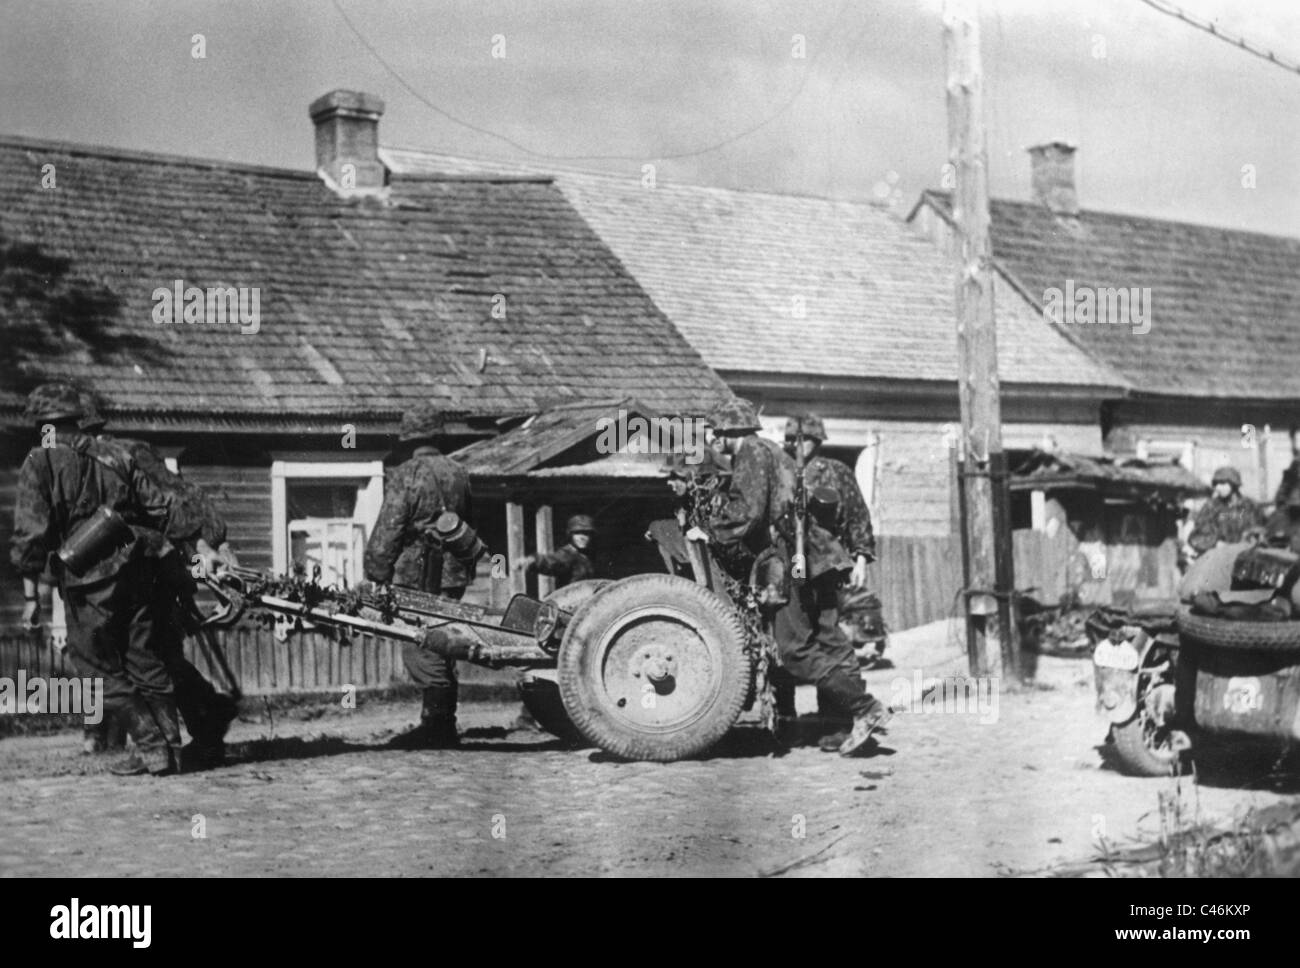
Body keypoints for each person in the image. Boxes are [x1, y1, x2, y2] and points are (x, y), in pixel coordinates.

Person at [701, 397, 892, 757]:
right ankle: (843, 722)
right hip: (821, 556)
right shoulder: (770, 451)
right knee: (830, 641)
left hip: (797, 556)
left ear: (729, 430)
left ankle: (864, 708)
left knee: (793, 649)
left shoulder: (752, 453)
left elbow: (749, 512)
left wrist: (711, 531)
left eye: (715, 430)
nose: (712, 437)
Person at [10, 383, 183, 775]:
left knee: (93, 669)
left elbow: (30, 534)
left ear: (43, 423)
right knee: (145, 658)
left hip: (87, 579)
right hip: (138, 567)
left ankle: (152, 746)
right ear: (78, 417)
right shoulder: (116, 453)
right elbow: (159, 507)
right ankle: (172, 749)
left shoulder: (41, 460)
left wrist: (31, 598)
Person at [79, 394, 238, 766]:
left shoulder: (121, 455)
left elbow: (180, 501)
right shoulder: (103, 458)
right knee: (157, 654)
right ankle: (204, 718)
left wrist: (205, 546)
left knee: (142, 656)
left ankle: (163, 743)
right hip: (133, 573)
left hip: (150, 571)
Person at [364, 402, 477, 747]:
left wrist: (376, 570)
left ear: (408, 437)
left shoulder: (406, 474)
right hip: (453, 571)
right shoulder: (460, 472)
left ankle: (437, 725)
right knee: (443, 640)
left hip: (417, 572)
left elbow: (390, 528)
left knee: (420, 640)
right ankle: (442, 720)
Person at [783, 413, 880, 734]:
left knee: (829, 638)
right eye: (794, 439)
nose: (799, 445)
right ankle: (786, 721)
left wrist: (862, 557)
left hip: (824, 563)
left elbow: (856, 515)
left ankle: (839, 720)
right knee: (788, 641)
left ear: (818, 441)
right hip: (788, 565)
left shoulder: (835, 471)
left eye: (806, 439)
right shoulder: (780, 468)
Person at [1187, 466, 1264, 556]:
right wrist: (1214, 543)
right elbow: (1196, 537)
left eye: (1223, 483)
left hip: (1246, 556)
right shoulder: (1211, 507)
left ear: (1234, 484)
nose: (1218, 487)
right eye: (1216, 484)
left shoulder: (1250, 506)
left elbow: (1260, 530)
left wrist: (1254, 538)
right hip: (1218, 557)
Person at [520, 515, 597, 587]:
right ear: (570, 535)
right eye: (577, 533)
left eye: (586, 534)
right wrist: (534, 561)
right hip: (571, 598)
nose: (582, 537)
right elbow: (553, 561)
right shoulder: (568, 554)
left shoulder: (588, 555)